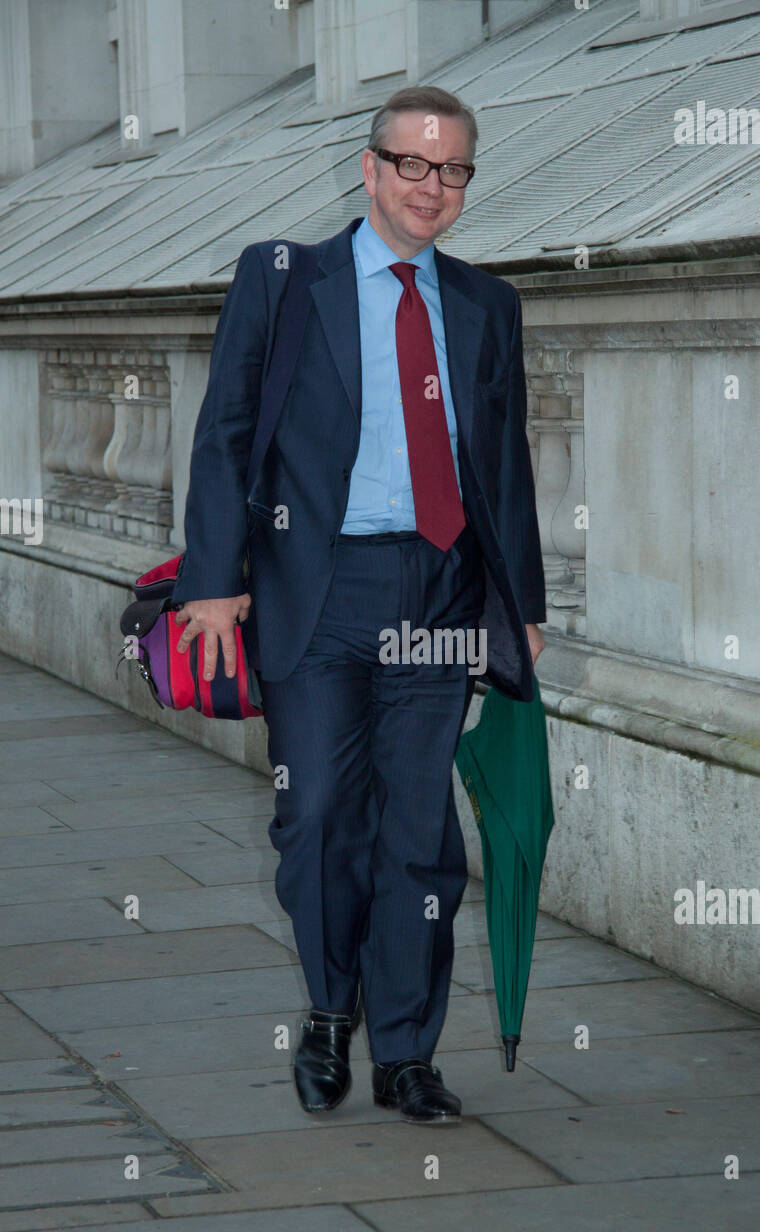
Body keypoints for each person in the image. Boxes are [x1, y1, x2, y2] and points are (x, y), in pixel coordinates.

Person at [171, 85, 546, 1124]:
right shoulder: (284, 280)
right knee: (321, 818)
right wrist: (212, 578)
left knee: (419, 834)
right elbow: (225, 433)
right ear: (370, 167)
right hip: (314, 586)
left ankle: (407, 1050)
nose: (431, 186)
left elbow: (502, 469)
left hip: (439, 590)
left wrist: (522, 603)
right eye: (412, 164)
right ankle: (330, 1008)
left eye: (452, 169)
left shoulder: (486, 305)